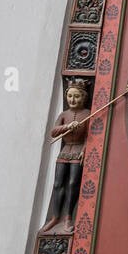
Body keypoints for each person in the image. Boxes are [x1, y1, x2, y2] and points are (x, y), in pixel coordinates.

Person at [43, 81, 91, 232]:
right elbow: (54, 132)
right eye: (70, 96)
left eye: (76, 96)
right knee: (58, 184)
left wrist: (84, 150)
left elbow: (89, 136)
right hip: (64, 152)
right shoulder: (64, 115)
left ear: (83, 98)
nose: (72, 100)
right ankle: (55, 216)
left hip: (77, 150)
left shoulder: (87, 114)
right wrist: (67, 127)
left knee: (72, 184)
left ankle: (68, 216)